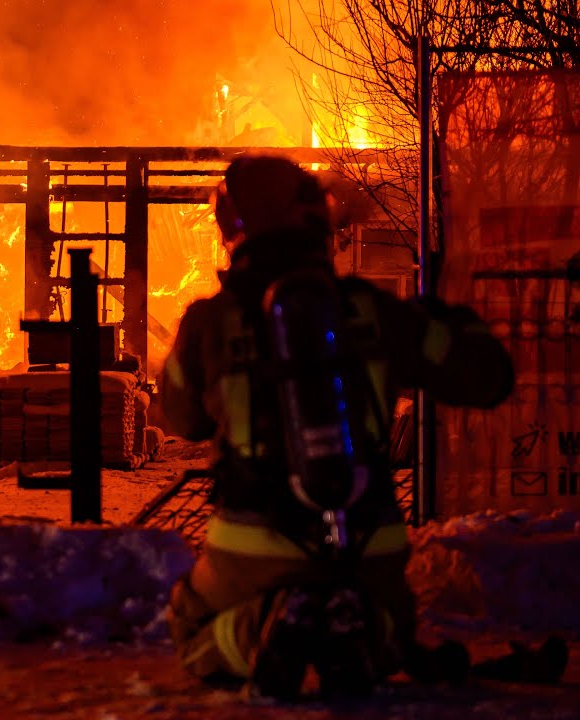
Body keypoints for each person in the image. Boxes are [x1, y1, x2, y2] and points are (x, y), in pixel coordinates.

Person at [158, 155, 516, 699]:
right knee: (392, 634)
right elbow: (488, 379)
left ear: (234, 232)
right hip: (366, 550)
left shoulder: (209, 322)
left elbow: (181, 420)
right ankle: (363, 628)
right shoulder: (374, 312)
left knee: (192, 627)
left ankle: (259, 628)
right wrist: (451, 320)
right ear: (317, 224)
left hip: (252, 553)